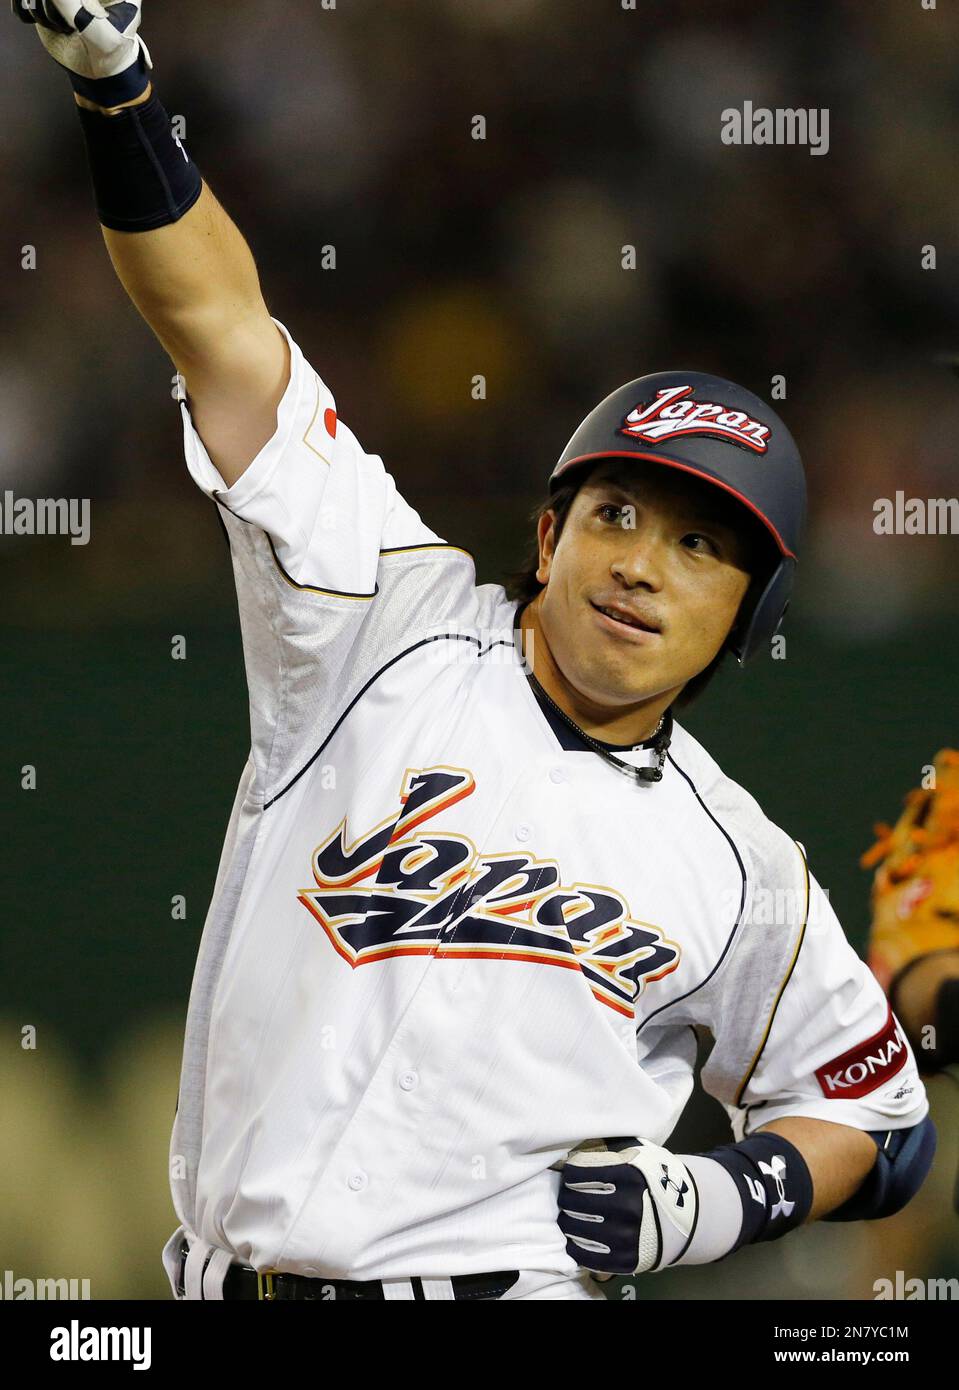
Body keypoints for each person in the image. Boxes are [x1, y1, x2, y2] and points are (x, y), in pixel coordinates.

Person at [15, 1, 937, 1301]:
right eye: (617, 513)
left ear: (751, 614)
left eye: (701, 547)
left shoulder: (735, 859)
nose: (641, 565)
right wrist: (117, 90)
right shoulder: (380, 616)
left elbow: (885, 1121)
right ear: (549, 532)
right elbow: (222, 328)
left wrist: (722, 1197)